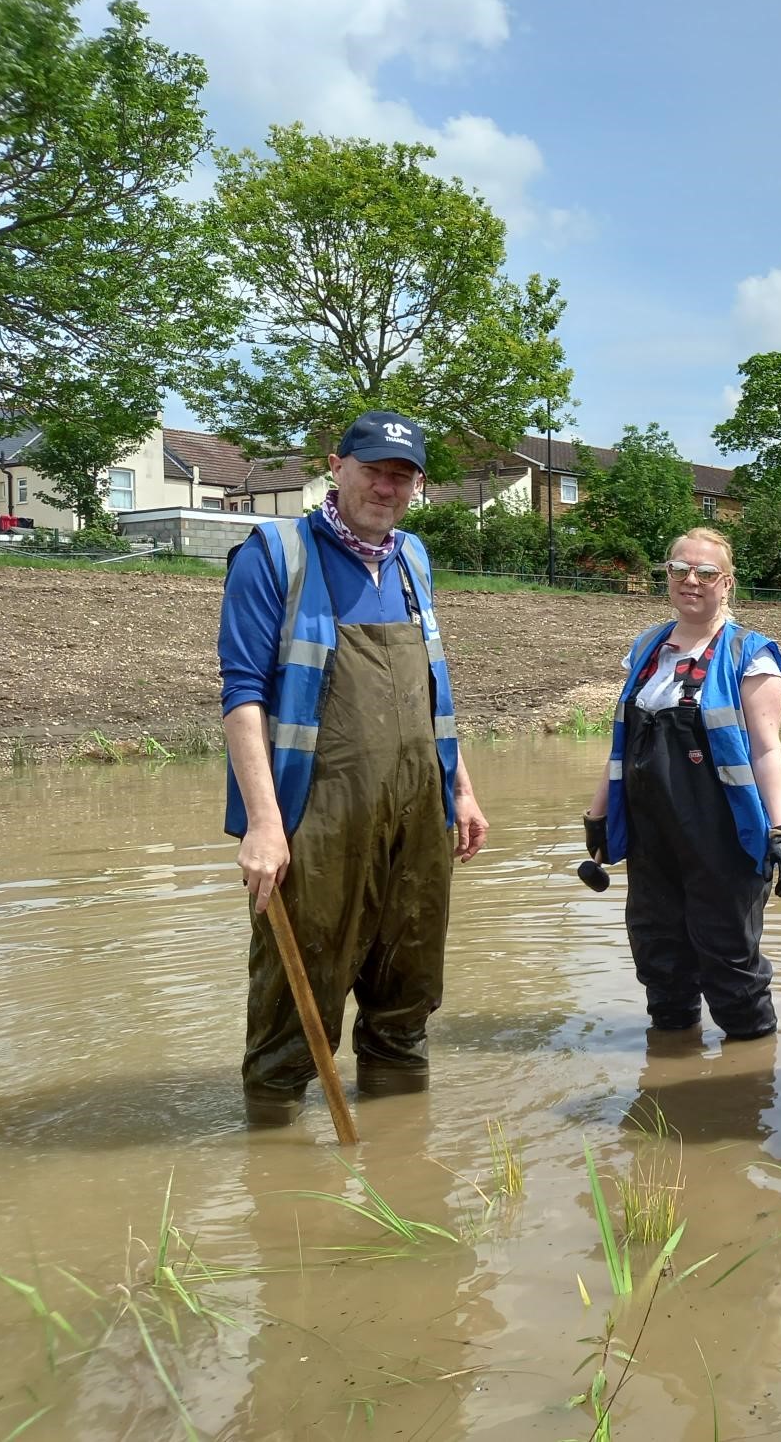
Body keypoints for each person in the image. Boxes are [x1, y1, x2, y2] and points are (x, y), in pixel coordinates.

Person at [220, 410, 490, 1126]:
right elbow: (242, 695)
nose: (386, 487)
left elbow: (433, 687)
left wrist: (459, 789)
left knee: (406, 1000)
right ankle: (278, 1176)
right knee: (294, 1003)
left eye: (402, 476)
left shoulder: (413, 559)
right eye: (372, 469)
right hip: (314, 820)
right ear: (335, 466)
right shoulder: (275, 553)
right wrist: (263, 827)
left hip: (418, 816)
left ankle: (403, 1156)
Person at [583, 527, 781, 1039]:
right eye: (679, 569)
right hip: (653, 838)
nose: (690, 581)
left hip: (723, 837)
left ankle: (748, 1081)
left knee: (729, 959)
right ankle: (671, 1067)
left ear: (727, 583)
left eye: (705, 573)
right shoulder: (647, 647)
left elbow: (767, 750)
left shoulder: (751, 654)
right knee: (659, 955)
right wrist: (598, 813)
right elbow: (623, 745)